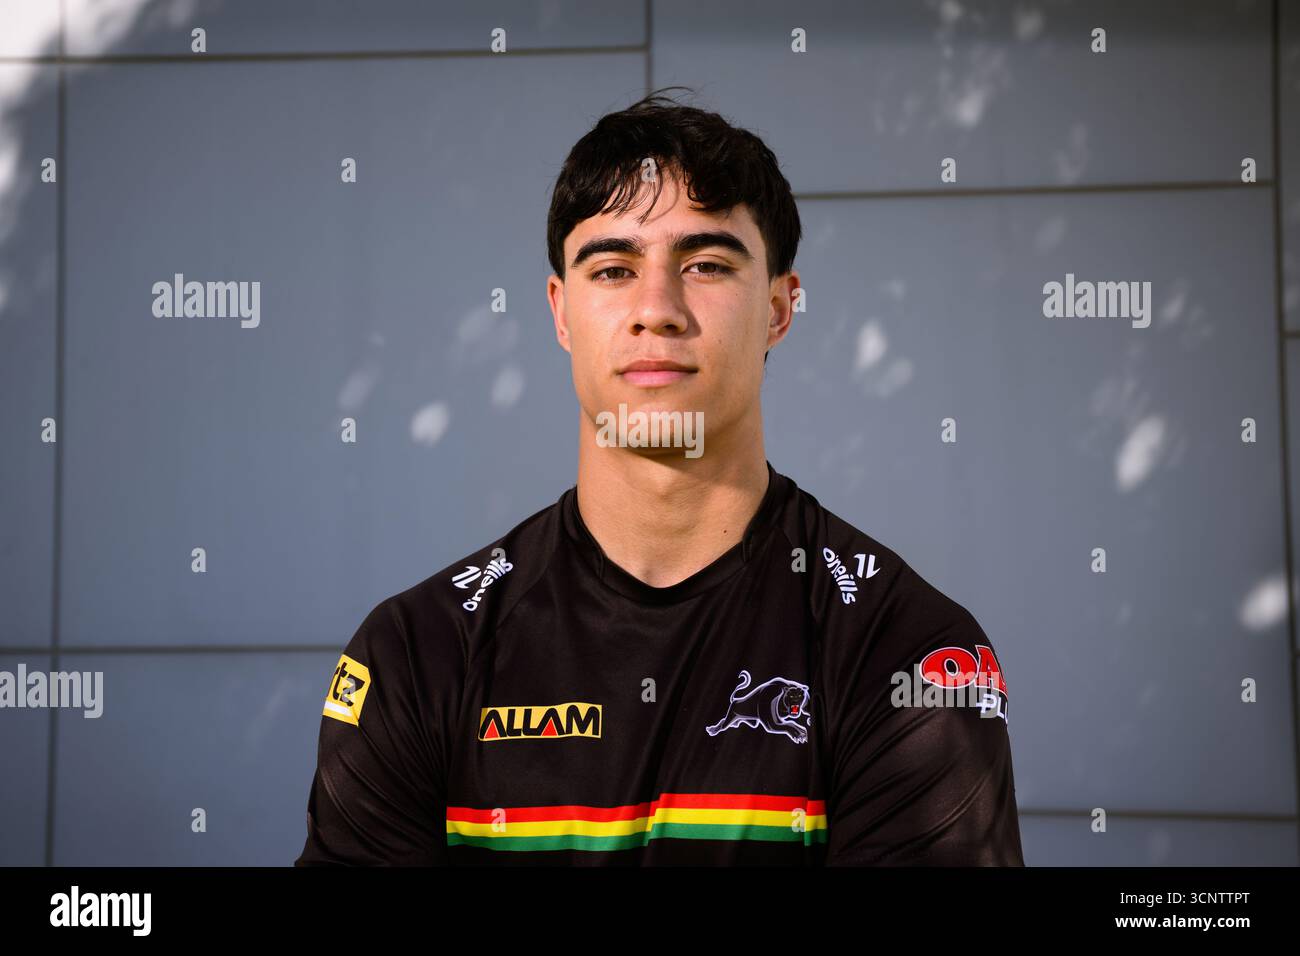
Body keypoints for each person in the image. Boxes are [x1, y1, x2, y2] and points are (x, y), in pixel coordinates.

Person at [294, 89, 1024, 866]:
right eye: (612, 268)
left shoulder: (908, 652)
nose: (657, 309)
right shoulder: (418, 651)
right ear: (561, 312)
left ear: (779, 307)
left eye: (705, 263)